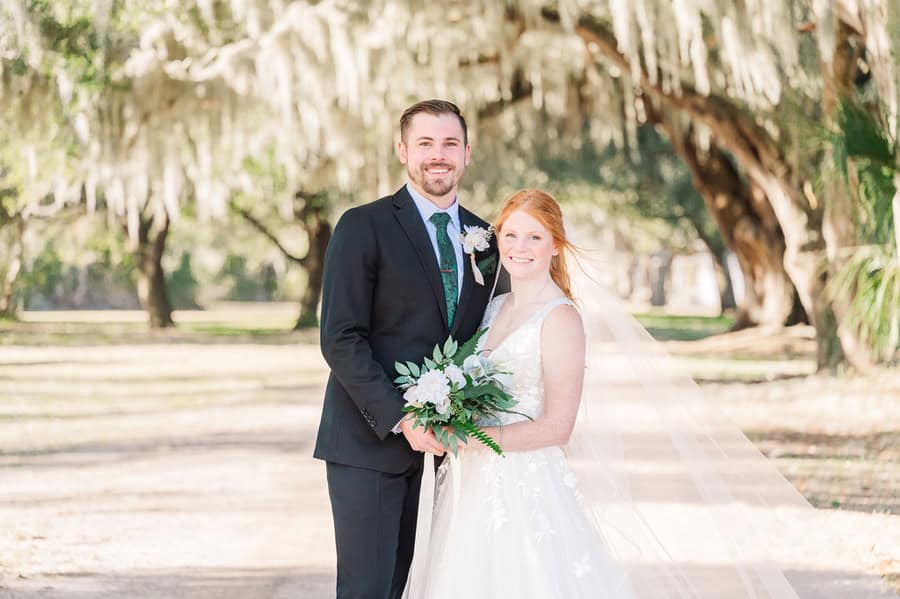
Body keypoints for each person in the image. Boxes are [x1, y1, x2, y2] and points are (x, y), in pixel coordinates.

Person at [401, 189, 823, 599]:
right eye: (510, 235)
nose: (520, 247)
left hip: (524, 482)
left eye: (535, 237)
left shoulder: (560, 317)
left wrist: (478, 440)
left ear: (555, 246)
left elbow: (558, 427)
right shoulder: (495, 309)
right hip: (471, 483)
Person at [314, 99, 502, 599]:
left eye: (449, 144)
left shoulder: (486, 240)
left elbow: (489, 334)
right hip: (369, 438)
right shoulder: (363, 226)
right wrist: (404, 418)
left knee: (433, 581)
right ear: (402, 151)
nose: (437, 155)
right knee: (370, 588)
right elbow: (340, 336)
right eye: (425, 143)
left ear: (466, 153)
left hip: (454, 453)